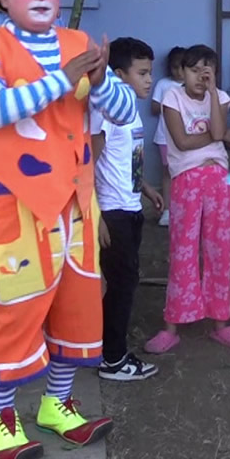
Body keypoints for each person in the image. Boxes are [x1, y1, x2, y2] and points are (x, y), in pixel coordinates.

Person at [0, 0, 136, 459]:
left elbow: (125, 111)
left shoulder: (79, 43)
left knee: (76, 305)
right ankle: (3, 417)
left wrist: (99, 81)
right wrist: (64, 78)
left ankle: (57, 404)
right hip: (13, 202)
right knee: (13, 309)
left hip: (75, 201)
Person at [147, 45, 230, 353]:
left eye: (207, 71)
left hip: (217, 178)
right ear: (182, 73)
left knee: (219, 250)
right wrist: (218, 136)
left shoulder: (221, 97)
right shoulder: (171, 97)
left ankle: (221, 324)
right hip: (186, 179)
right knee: (183, 249)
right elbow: (183, 141)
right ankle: (172, 325)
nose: (200, 76)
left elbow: (218, 129)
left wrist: (213, 95)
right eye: (193, 70)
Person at [92, 37, 164, 380]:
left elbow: (123, 159)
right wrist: (95, 216)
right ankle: (113, 359)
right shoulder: (106, 112)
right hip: (111, 212)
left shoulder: (130, 110)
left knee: (124, 282)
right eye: (143, 73)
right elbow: (87, 164)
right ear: (119, 75)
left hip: (130, 206)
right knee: (121, 284)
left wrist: (145, 187)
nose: (150, 80)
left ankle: (104, 348)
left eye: (150, 73)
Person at [150, 47, 185, 227]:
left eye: (182, 67)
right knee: (168, 172)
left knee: (186, 172)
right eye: (174, 67)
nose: (178, 72)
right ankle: (167, 210)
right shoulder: (163, 84)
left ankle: (185, 209)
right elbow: (154, 108)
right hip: (165, 137)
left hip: (187, 138)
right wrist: (172, 104)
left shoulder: (192, 84)